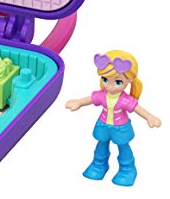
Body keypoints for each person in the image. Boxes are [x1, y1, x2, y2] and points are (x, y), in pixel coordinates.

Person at [65, 50, 161, 186]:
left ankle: (127, 170)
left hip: (120, 128)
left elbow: (137, 109)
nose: (110, 86)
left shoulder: (125, 100)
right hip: (103, 125)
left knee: (123, 147)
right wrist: (79, 102)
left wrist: (149, 117)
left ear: (129, 80)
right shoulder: (102, 95)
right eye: (105, 80)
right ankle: (98, 165)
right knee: (101, 144)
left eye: (117, 82)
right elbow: (90, 99)